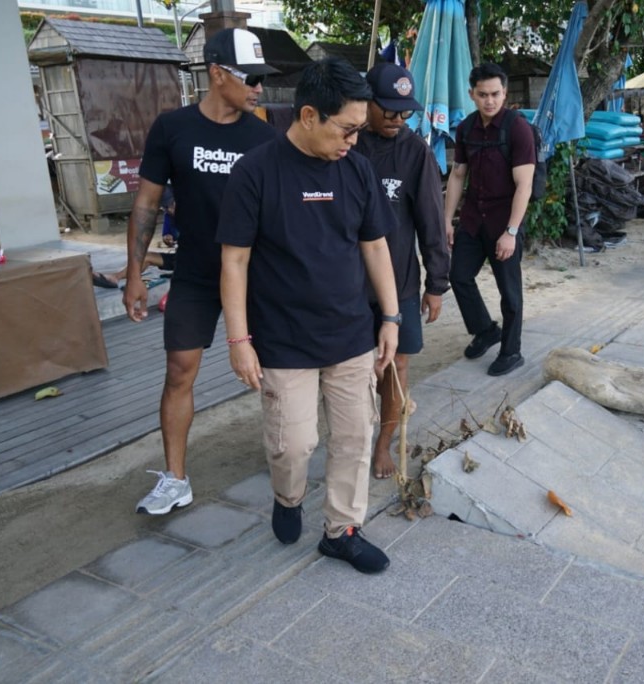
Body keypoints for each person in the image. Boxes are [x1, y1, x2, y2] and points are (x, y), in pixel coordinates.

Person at [217, 58, 400, 575]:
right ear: (309, 115)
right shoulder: (256, 171)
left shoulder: (356, 169)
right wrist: (238, 339)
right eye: (345, 130)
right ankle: (288, 496)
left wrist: (390, 317)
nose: (352, 142)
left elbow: (376, 247)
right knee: (293, 444)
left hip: (350, 333)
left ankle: (342, 530)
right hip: (282, 339)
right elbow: (234, 259)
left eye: (359, 131)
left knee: (353, 437)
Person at [123, 28, 277, 515]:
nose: (258, 89)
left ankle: (287, 454)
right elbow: (146, 204)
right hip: (194, 273)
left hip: (257, 277)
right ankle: (175, 478)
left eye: (261, 80)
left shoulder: (267, 137)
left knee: (278, 371)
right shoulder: (173, 128)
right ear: (217, 74)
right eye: (250, 78)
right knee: (178, 372)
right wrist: (133, 273)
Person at [356, 62, 450, 480]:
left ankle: (383, 445)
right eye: (388, 109)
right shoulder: (347, 143)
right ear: (366, 103)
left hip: (402, 284)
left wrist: (438, 284)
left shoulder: (415, 152)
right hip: (349, 287)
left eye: (404, 111)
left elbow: (432, 220)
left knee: (396, 368)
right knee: (354, 371)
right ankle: (355, 440)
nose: (397, 119)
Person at [445, 62, 535, 376]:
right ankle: (485, 330)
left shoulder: (517, 128)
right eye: (482, 94)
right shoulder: (466, 127)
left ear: (504, 92)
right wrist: (447, 220)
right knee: (458, 276)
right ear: (472, 94)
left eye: (495, 94)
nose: (490, 101)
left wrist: (511, 231)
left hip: (503, 221)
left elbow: (525, 184)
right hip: (472, 219)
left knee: (509, 293)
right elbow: (458, 175)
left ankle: (512, 352)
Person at [94, 189, 178, 288]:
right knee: (145, 257)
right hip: (181, 258)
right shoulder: (169, 216)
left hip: (196, 262)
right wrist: (168, 239)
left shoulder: (193, 215)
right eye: (166, 207)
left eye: (172, 205)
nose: (170, 209)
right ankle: (115, 277)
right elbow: (167, 238)